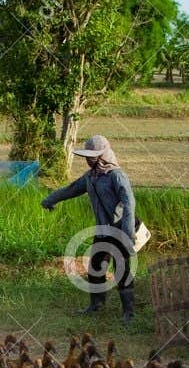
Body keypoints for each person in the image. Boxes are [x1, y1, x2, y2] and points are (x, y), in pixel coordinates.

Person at [41, 134, 139, 322]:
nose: (88, 160)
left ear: (103, 156)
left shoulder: (116, 175)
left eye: (92, 157)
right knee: (96, 268)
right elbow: (71, 189)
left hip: (120, 229)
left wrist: (128, 235)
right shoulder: (90, 177)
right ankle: (96, 305)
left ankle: (129, 312)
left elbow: (129, 204)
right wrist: (50, 199)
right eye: (87, 157)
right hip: (103, 231)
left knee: (123, 270)